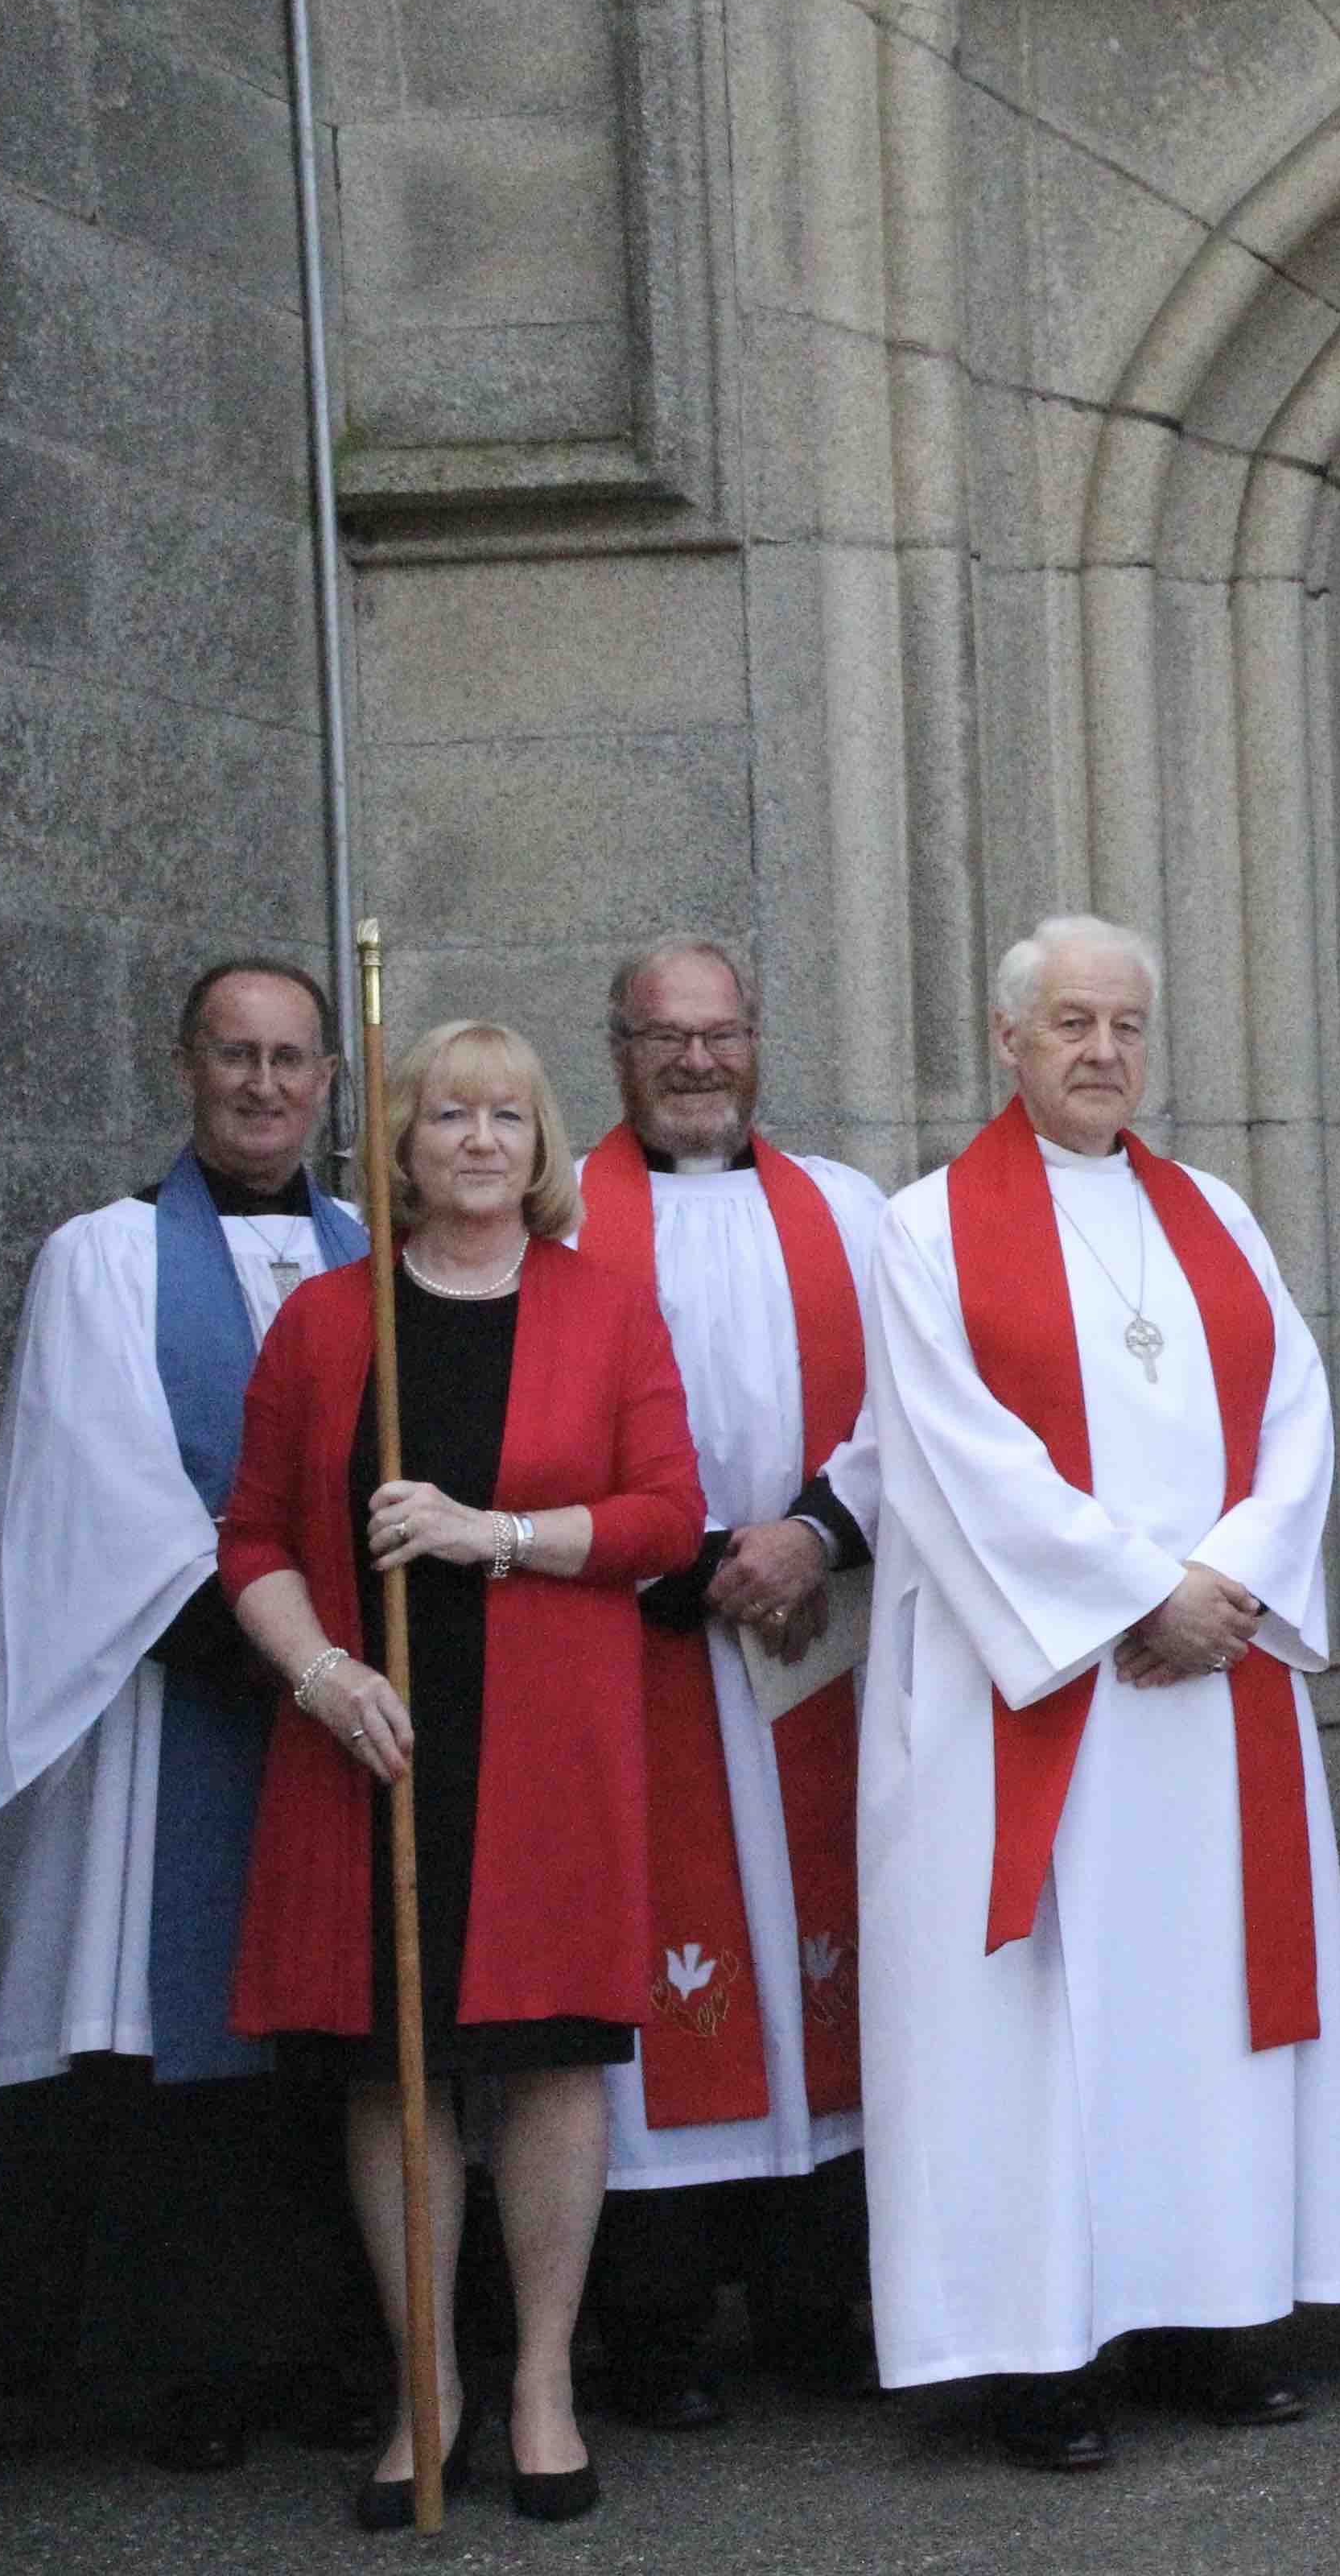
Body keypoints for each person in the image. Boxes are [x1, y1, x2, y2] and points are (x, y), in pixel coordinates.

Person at [858, 914, 1340, 2470]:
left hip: (1206, 1694)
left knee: (1204, 2002)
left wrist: (1223, 1586)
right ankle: (1039, 2354)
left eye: (1128, 1027)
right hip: (1028, 1706)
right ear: (1006, 1041)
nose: (1103, 1054)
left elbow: (1297, 1413)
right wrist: (1141, 1594)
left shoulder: (1213, 1212)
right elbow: (954, 1456)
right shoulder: (931, 1228)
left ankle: (1211, 2316)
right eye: (1072, 1025)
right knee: (1033, 2033)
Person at [220, 1018, 706, 2526]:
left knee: (554, 2059)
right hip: (378, 1736)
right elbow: (249, 1541)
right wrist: (320, 1673)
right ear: (403, 1145)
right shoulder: (323, 1324)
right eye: (446, 1116)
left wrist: (490, 1533)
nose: (479, 1140)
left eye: (506, 1114)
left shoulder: (606, 1310)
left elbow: (664, 1519)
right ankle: (423, 2391)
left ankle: (543, 2382)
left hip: (548, 1746)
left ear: (541, 1142)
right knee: (400, 2071)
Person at [0, 963, 377, 2469]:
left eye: (291, 1061)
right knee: (164, 2016)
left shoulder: (367, 1252)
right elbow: (99, 1491)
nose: (263, 1087)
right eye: (234, 1057)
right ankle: (179, 2365)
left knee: (335, 2021)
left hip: (341, 1702)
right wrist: (276, 1650)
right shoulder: (102, 1256)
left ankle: (327, 2349)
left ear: (329, 1079)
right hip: (172, 1692)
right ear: (185, 1067)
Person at [572, 938, 891, 2426]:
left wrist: (814, 1535)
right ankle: (648, 2321)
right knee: (660, 1974)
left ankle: (818, 2298)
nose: (697, 1063)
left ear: (760, 1040)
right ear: (618, 1049)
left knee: (827, 1959)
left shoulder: (851, 1213)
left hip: (818, 1640)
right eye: (664, 1038)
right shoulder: (559, 1210)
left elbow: (917, 1412)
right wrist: (697, 1565)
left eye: (722, 1034)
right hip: (636, 1653)